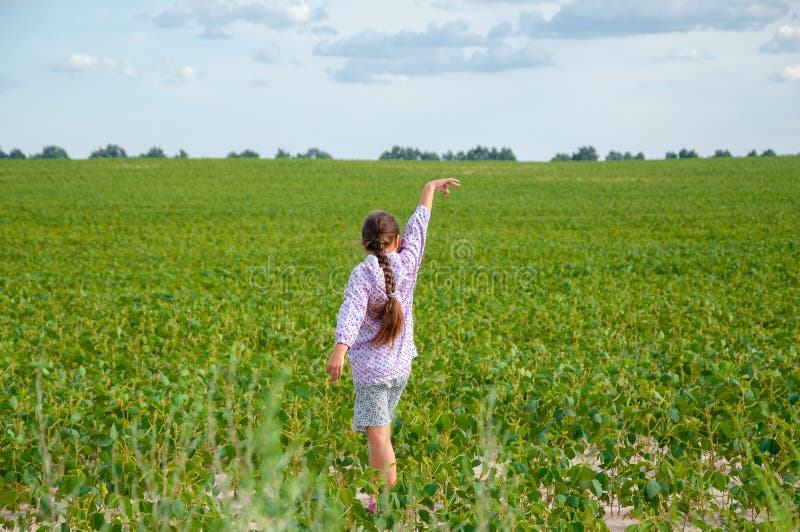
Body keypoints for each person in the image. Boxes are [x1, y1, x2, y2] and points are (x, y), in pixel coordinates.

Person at [326, 178, 461, 514]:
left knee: (381, 440)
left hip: (373, 374)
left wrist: (340, 348)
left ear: (365, 243)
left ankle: (388, 506)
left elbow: (352, 311)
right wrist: (429, 189)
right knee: (378, 436)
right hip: (400, 369)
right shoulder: (408, 261)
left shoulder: (362, 275)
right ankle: (377, 499)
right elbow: (420, 228)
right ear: (396, 241)